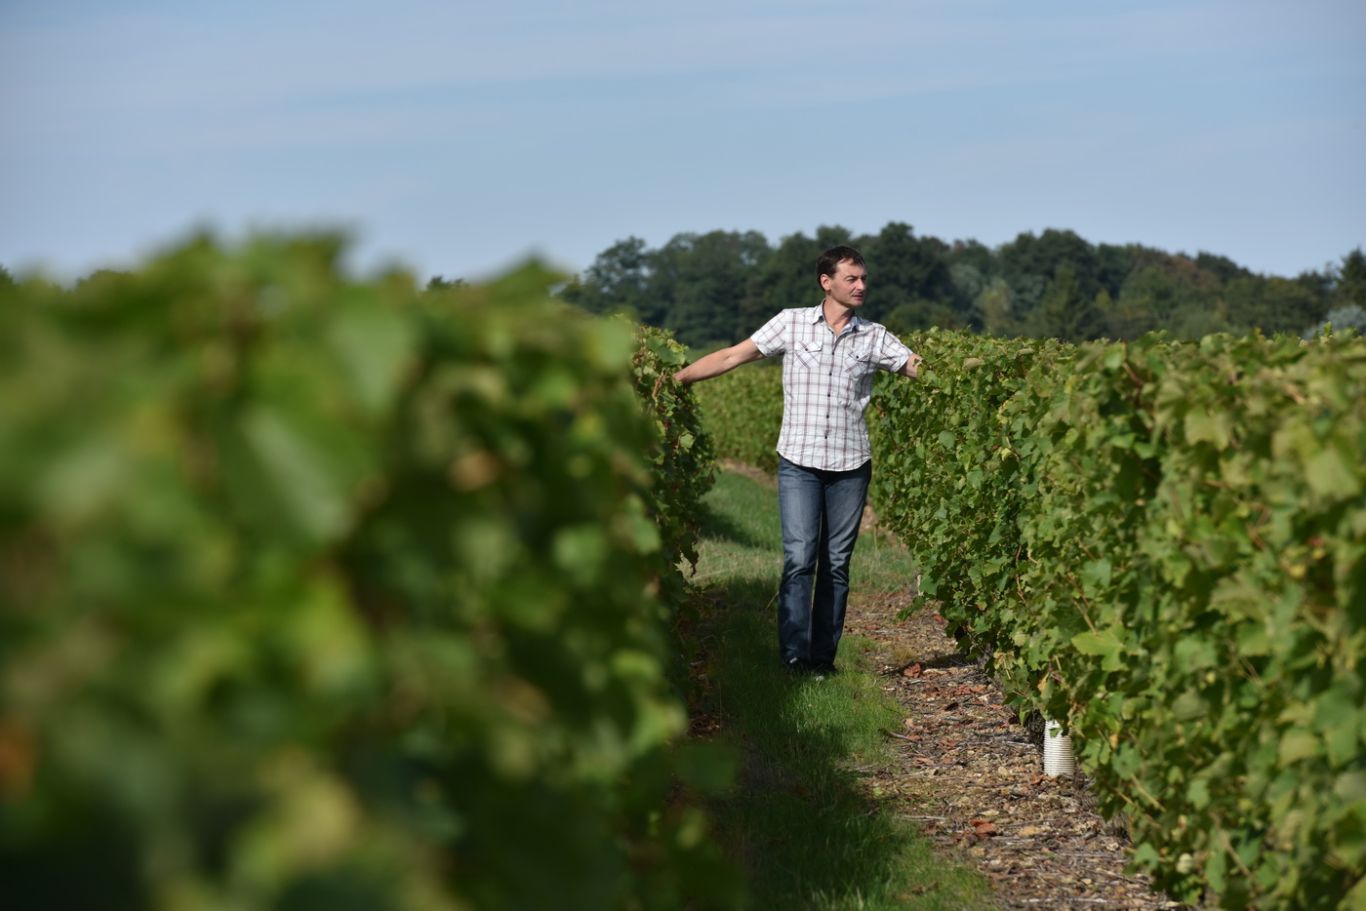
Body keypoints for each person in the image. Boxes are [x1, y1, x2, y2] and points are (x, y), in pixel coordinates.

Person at [674, 245, 923, 675]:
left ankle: (823, 661)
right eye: (852, 279)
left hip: (850, 465)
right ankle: (793, 656)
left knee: (837, 566)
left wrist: (965, 373)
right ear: (827, 282)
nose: (861, 286)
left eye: (863, 278)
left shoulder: (875, 335)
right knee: (799, 559)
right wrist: (677, 378)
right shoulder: (790, 323)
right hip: (799, 463)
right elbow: (734, 355)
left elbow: (916, 366)